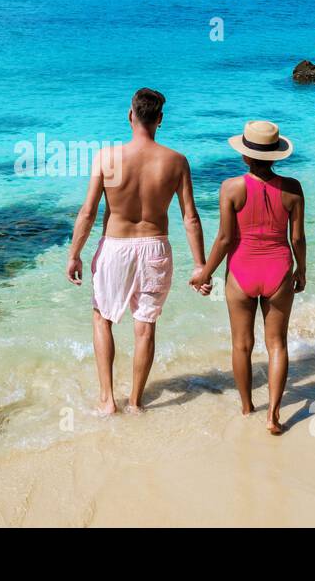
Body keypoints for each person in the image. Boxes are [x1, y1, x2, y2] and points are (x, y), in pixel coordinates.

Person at [66, 88, 209, 415]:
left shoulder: (107, 158)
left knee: (102, 318)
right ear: (160, 120)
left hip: (116, 247)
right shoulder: (176, 161)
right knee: (144, 326)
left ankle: (107, 400)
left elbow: (88, 212)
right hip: (155, 247)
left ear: (131, 116)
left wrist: (74, 253)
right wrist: (200, 265)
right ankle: (136, 401)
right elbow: (190, 217)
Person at [190, 120, 305, 434]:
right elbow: (297, 239)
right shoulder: (293, 189)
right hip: (279, 271)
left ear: (245, 156)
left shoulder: (230, 188)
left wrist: (205, 273)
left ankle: (246, 407)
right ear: (277, 155)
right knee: (277, 345)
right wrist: (301, 270)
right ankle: (273, 416)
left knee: (241, 345)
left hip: (241, 272)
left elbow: (225, 239)